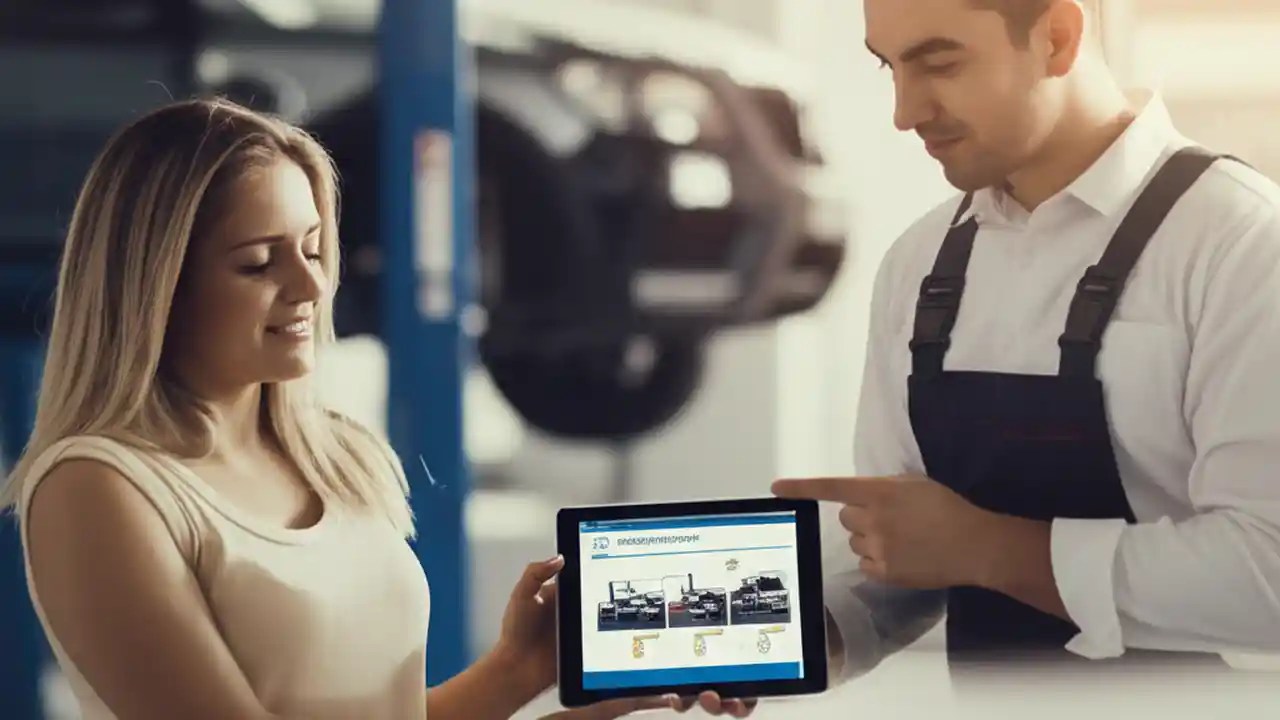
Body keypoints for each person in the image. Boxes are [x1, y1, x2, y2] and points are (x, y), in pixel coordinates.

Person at [0, 98, 753, 720]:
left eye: (314, 246)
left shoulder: (337, 453)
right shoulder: (98, 489)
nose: (309, 285)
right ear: (157, 285)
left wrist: (519, 672)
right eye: (259, 263)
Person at [773, 0, 1280, 683]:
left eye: (940, 62)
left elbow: (1268, 576)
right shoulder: (918, 263)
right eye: (889, 67)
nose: (905, 111)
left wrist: (990, 550)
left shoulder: (1243, 245)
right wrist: (753, 643)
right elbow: (905, 557)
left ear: (1057, 36)